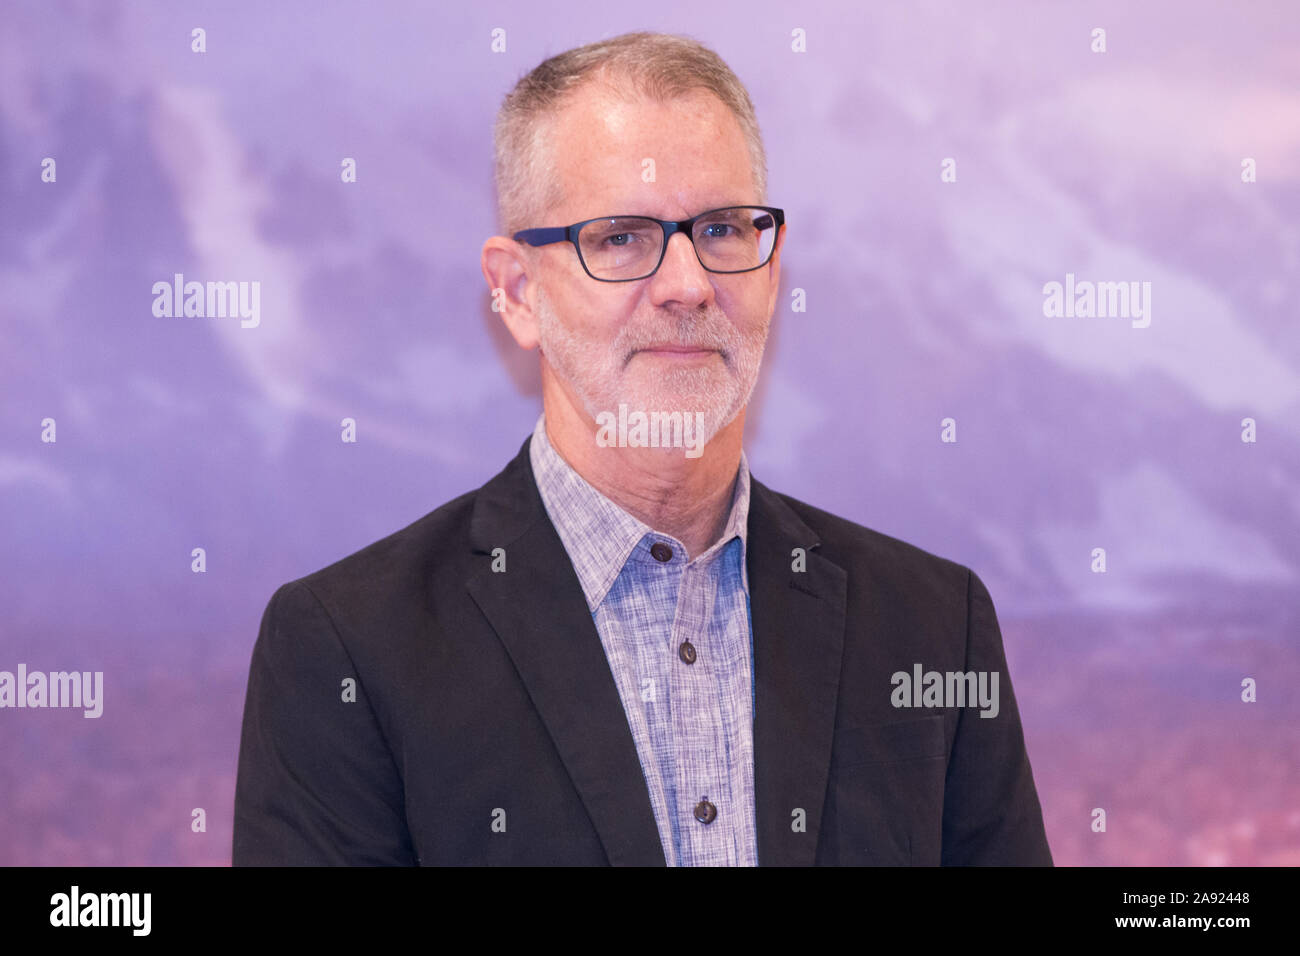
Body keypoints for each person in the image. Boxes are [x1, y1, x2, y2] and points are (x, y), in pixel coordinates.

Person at [232, 31, 1052, 866]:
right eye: (621, 237)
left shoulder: (932, 627)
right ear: (517, 292)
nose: (688, 284)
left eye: (725, 229)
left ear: (772, 272)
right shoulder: (349, 650)